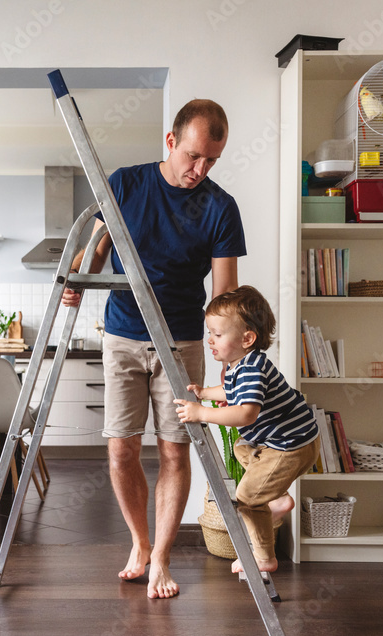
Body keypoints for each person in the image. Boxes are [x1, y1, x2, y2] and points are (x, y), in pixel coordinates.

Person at [62, 99, 245, 599]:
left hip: (182, 342)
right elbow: (96, 250)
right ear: (171, 142)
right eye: (192, 156)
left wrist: (228, 361)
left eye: (211, 161)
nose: (199, 170)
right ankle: (140, 544)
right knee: (121, 449)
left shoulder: (220, 207)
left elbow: (225, 297)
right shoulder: (125, 184)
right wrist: (78, 279)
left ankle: (162, 558)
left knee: (174, 451)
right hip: (121, 334)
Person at [173, 286, 319, 574]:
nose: (209, 339)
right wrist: (204, 392)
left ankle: (264, 557)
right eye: (209, 332)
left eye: (217, 334)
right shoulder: (241, 365)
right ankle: (277, 497)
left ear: (247, 338)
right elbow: (229, 390)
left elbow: (246, 413)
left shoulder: (253, 368)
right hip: (284, 440)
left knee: (248, 499)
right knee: (241, 446)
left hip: (291, 446)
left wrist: (203, 412)